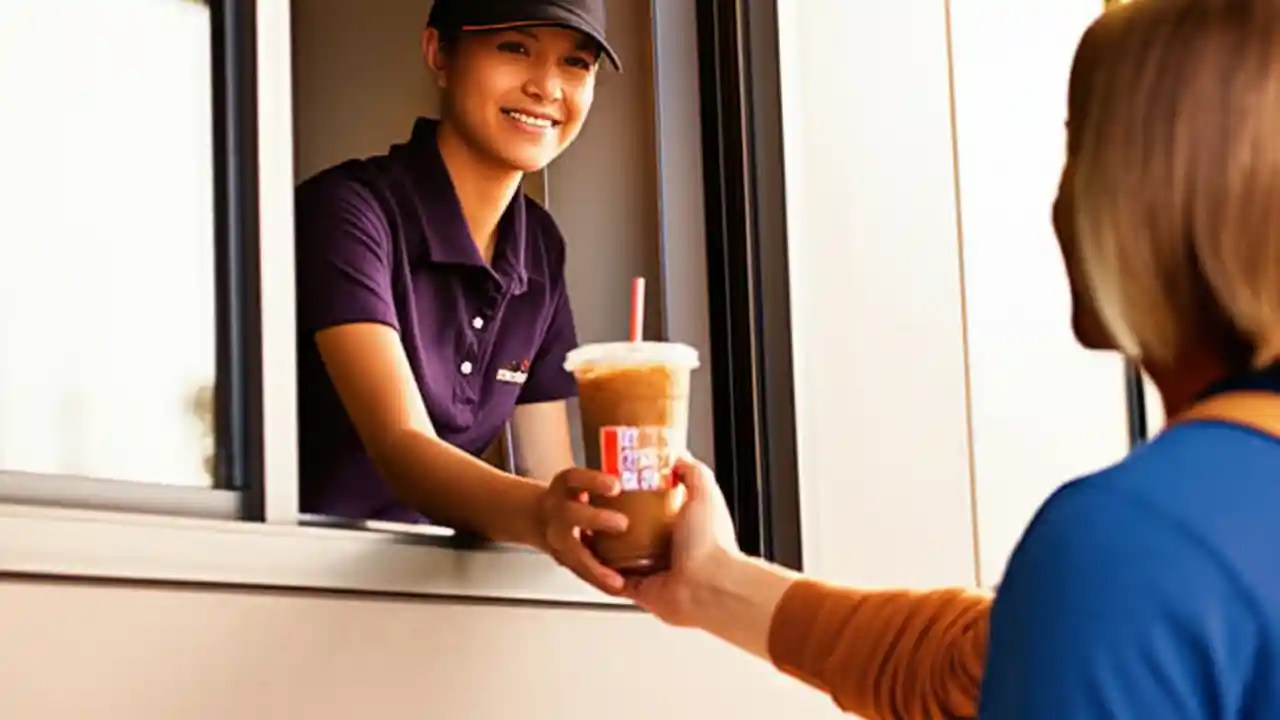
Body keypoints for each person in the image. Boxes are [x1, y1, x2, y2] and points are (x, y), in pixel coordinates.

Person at [608, 0, 1280, 717]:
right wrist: (710, 579)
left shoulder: (1136, 543)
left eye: (1078, 148)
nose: (1059, 198)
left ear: (1138, 195)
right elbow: (973, 668)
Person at [293, 0, 634, 595]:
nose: (546, 86)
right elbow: (401, 446)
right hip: (295, 589)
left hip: (446, 602)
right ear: (438, 53)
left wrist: (612, 525)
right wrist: (545, 516)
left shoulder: (540, 247)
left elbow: (544, 467)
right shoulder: (348, 213)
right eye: (514, 48)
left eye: (576, 64)